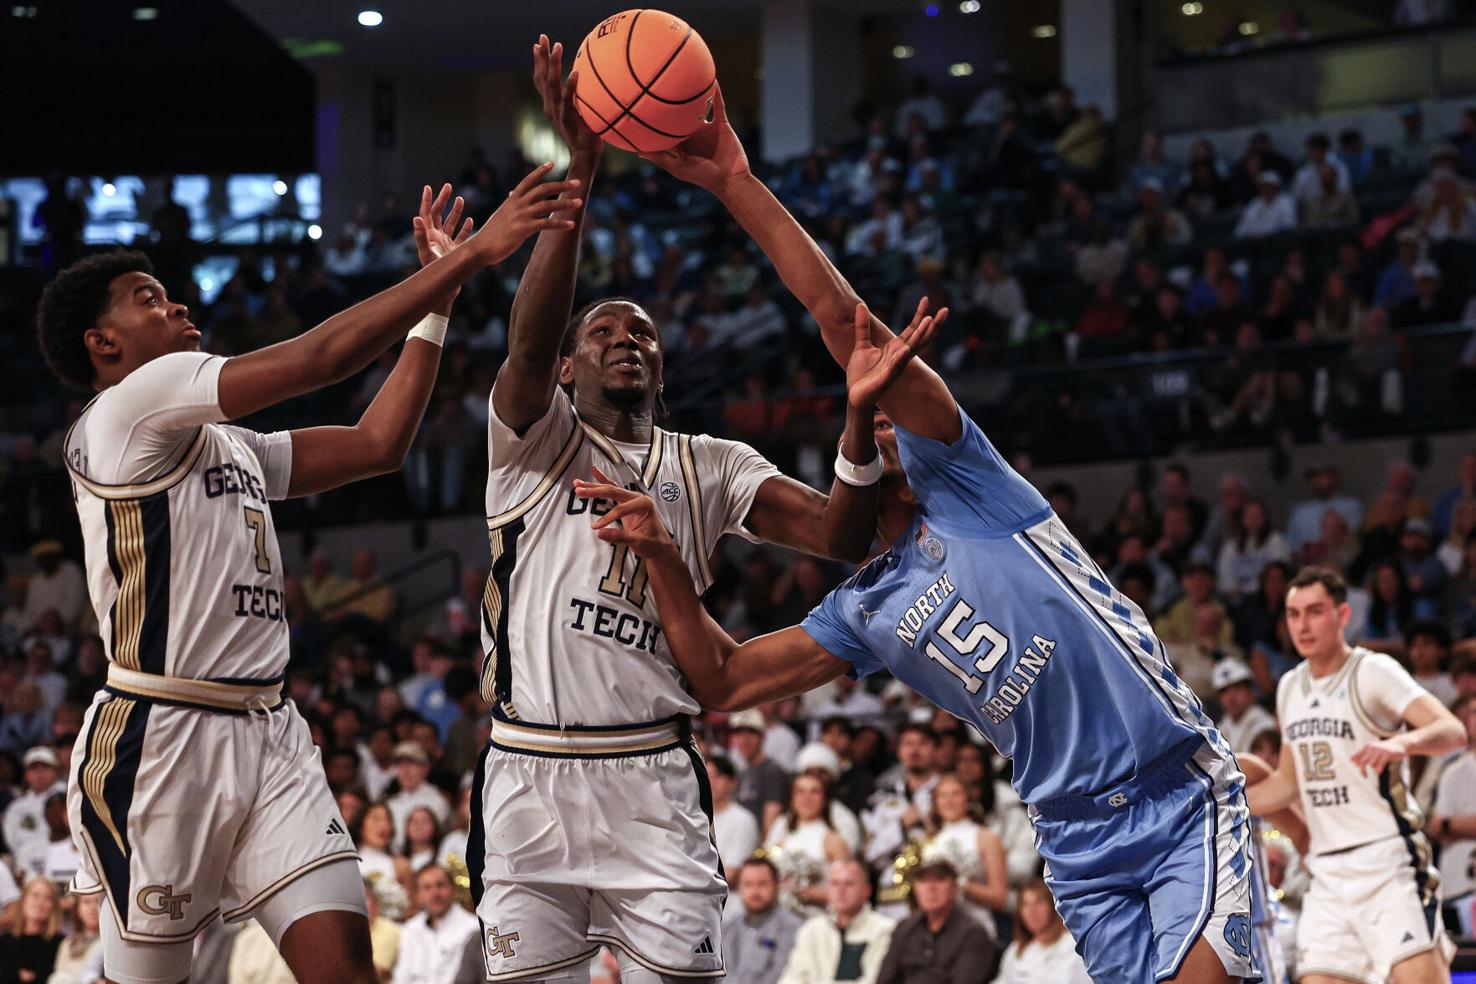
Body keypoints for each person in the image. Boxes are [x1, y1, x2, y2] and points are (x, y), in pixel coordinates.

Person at [587, 86, 1258, 984]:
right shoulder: (860, 609)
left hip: (1174, 788)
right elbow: (724, 679)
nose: (891, 420)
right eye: (874, 425)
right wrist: (666, 559)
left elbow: (849, 329)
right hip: (1072, 837)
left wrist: (736, 183)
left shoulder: (966, 484)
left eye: (890, 415)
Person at [37, 171, 578, 983]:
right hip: (159, 735)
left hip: (269, 731)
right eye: (148, 300)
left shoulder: (228, 443)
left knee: (347, 972)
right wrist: (470, 259)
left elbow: (377, 445)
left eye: (170, 294)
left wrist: (437, 304)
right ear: (102, 344)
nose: (177, 307)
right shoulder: (125, 411)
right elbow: (321, 357)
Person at [466, 42, 885, 982]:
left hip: (652, 776)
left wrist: (857, 422)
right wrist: (580, 171)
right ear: (568, 367)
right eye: (603, 330)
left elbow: (841, 535)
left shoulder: (710, 465)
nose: (626, 338)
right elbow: (525, 347)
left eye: (643, 332)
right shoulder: (533, 439)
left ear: (661, 364)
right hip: (527, 774)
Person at [1247, 566, 1465, 984]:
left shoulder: (1372, 671)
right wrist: (1217, 802)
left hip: (1387, 861)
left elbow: (1452, 731)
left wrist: (1401, 743)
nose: (1302, 625)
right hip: (1327, 872)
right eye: (1293, 614)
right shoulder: (1289, 686)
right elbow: (1288, 783)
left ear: (1343, 615)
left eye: (1314, 612)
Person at [874, 860, 995, 984]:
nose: (931, 888)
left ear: (954, 888)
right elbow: (885, 980)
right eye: (924, 881)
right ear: (916, 889)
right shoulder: (904, 928)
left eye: (939, 880)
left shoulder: (973, 934)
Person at [921, 773, 1009, 939]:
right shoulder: (927, 841)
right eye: (943, 795)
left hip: (975, 929)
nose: (949, 801)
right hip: (934, 931)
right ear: (935, 802)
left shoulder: (986, 837)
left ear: (968, 799)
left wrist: (959, 884)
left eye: (956, 794)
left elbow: (1000, 897)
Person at [779, 860, 895, 984]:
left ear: (867, 890)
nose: (841, 890)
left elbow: (874, 980)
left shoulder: (885, 930)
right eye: (835, 884)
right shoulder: (812, 930)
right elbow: (792, 978)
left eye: (849, 884)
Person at [765, 773, 853, 916]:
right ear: (792, 798)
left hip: (816, 917)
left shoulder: (834, 841)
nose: (807, 798)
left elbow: (848, 892)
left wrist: (813, 893)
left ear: (825, 799)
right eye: (800, 791)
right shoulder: (782, 839)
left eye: (814, 791)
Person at [989, 879, 1091, 984]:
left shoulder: (1075, 946)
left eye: (1039, 902)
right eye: (1025, 904)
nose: (1032, 911)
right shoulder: (1015, 950)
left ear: (1053, 907)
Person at [391, 864, 480, 984]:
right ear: (418, 895)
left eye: (440, 885)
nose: (435, 893)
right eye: (427, 888)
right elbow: (401, 977)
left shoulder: (472, 928)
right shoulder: (410, 929)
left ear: (453, 889)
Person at [722, 857, 803, 984]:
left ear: (777, 886)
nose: (755, 892)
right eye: (748, 884)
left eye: (762, 884)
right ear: (739, 888)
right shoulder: (728, 927)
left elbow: (781, 976)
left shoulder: (793, 928)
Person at [0, 875, 63, 983]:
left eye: (47, 898)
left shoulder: (60, 944)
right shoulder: (5, 940)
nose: (40, 903)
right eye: (35, 895)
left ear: (53, 907)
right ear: (24, 900)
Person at [708, 755, 760, 880]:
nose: (711, 782)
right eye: (706, 776)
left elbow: (731, 873)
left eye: (718, 776)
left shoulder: (743, 820)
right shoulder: (695, 817)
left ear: (733, 782)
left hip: (729, 891)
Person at [1212, 659, 1276, 756]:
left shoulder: (1266, 724)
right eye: (1224, 691)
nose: (1231, 697)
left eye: (1237, 687)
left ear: (1251, 691)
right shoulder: (1218, 729)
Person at [47, 889, 102, 984]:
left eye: (97, 902)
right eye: (87, 902)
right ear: (77, 909)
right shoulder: (67, 943)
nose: (93, 908)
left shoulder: (110, 944)